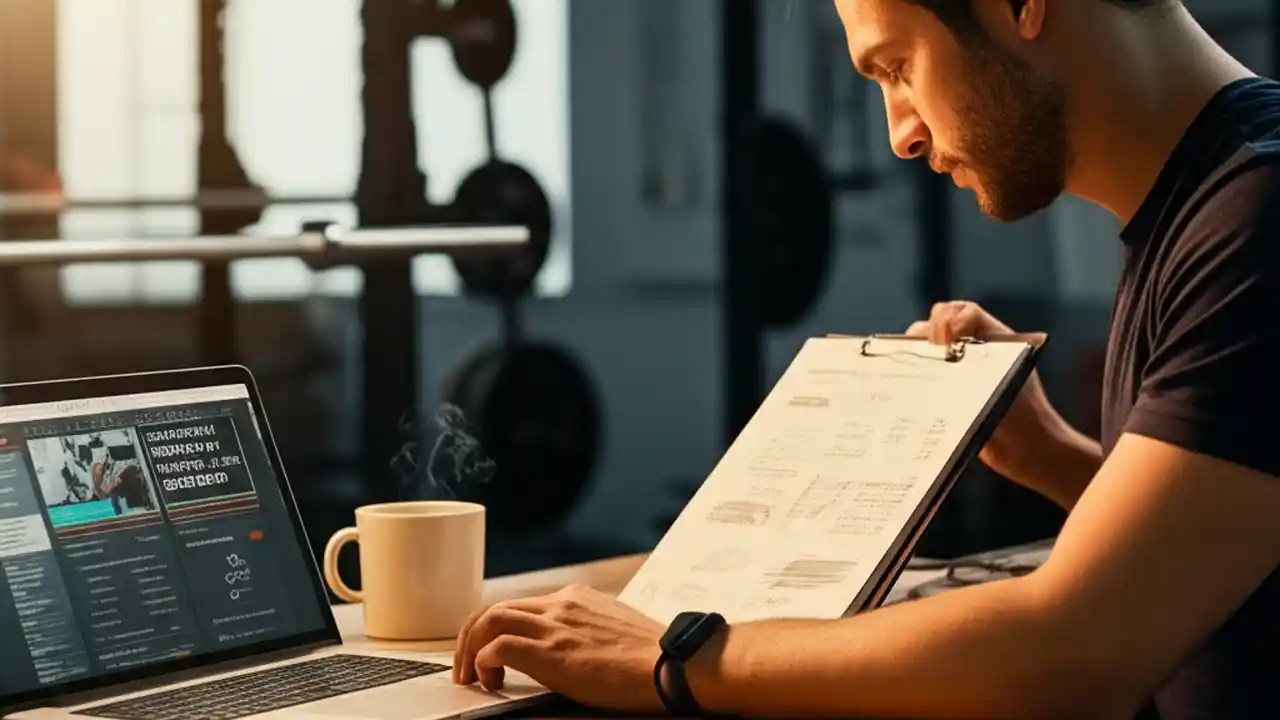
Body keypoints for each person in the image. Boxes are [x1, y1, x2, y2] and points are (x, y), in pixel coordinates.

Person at [452, 1, 1280, 717]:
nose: (901, 134)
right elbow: (1208, 566)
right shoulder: (1211, 201)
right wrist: (1051, 456)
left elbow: (1076, 657)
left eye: (898, 67)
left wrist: (677, 657)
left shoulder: (1255, 222)